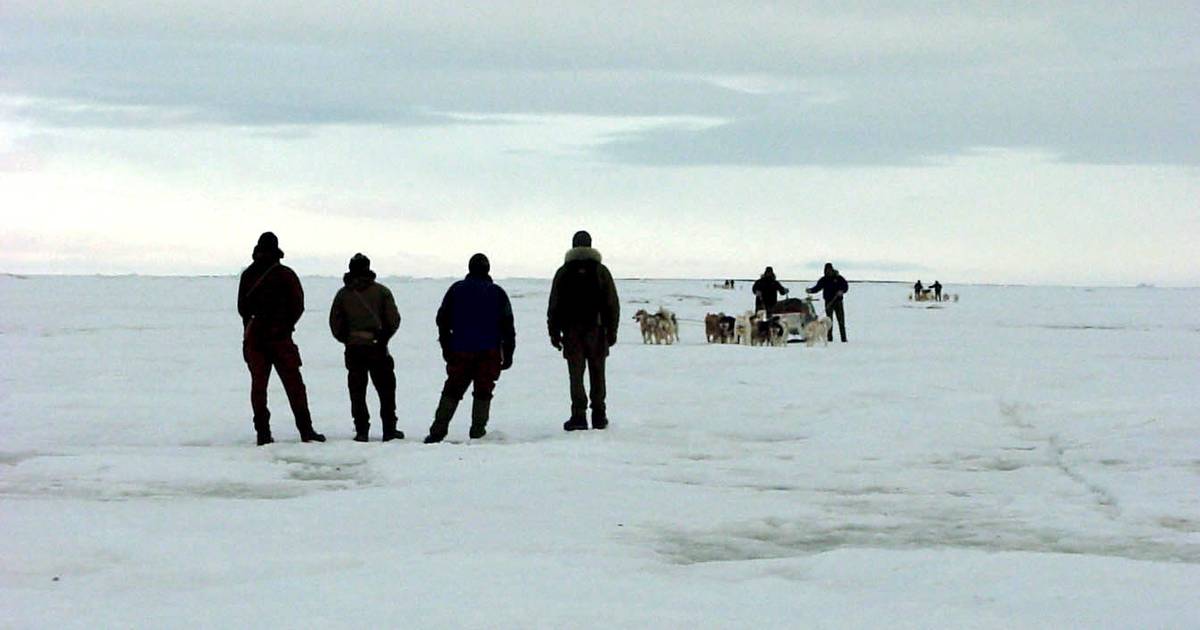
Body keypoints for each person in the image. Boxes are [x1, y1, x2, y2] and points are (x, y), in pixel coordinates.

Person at [237, 232, 325, 445]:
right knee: (295, 385)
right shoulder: (285, 274)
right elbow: (298, 305)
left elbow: (242, 308)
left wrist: (253, 325)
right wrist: (284, 326)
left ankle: (263, 433)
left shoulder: (248, 275)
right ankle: (306, 430)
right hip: (280, 338)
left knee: (259, 387)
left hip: (256, 339)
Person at [424, 253, 515, 443]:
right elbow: (508, 326)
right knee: (483, 392)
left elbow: (442, 320)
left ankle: (437, 431)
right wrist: (508, 354)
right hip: (489, 352)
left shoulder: (456, 289)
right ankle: (478, 432)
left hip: (460, 350)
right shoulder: (497, 292)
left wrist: (446, 346)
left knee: (452, 390)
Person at [547, 230, 620, 431]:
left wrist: (554, 332)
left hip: (571, 332)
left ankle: (578, 416)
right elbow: (612, 304)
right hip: (597, 330)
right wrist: (612, 331)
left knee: (576, 375)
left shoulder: (563, 272)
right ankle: (599, 415)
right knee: (598, 374)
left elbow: (554, 305)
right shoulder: (601, 271)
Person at [329, 253, 403, 442]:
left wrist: (348, 339)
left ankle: (362, 430)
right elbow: (394, 319)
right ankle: (389, 429)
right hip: (377, 348)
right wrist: (383, 338)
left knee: (357, 391)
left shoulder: (343, 295)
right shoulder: (382, 292)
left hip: (354, 349)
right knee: (386, 390)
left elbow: (335, 324)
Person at [806, 262, 849, 342]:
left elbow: (845, 286)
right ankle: (829, 339)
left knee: (841, 321)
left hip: (838, 302)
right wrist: (810, 290)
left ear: (832, 270)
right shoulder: (824, 279)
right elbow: (817, 288)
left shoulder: (839, 278)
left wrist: (842, 291)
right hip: (828, 302)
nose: (828, 272)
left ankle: (843, 339)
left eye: (829, 270)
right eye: (826, 270)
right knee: (829, 322)